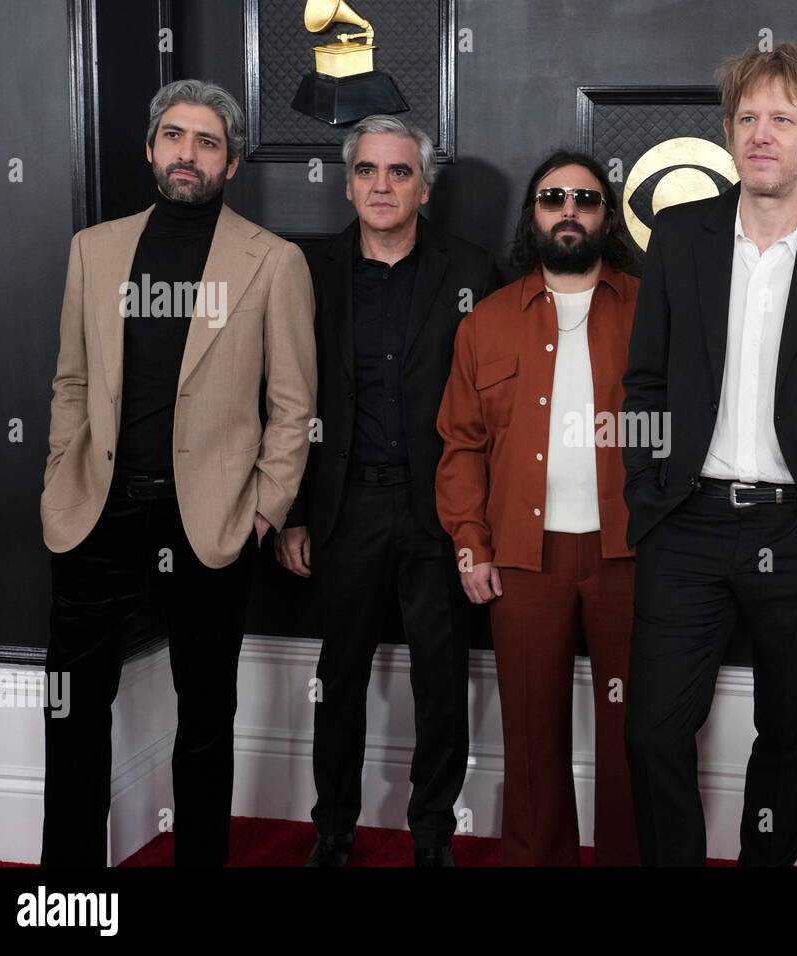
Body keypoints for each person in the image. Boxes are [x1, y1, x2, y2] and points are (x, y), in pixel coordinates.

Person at [621, 42, 797, 866]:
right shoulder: (678, 238)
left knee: (785, 737)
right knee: (652, 733)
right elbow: (644, 383)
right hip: (685, 524)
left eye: (783, 118)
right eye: (747, 118)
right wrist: (647, 488)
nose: (761, 134)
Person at [40, 79, 316, 866]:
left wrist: (264, 507)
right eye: (174, 136)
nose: (186, 153)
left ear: (230, 163)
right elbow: (70, 382)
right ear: (152, 148)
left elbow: (294, 404)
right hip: (96, 512)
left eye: (206, 142)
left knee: (205, 717)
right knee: (74, 715)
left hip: (213, 521)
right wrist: (63, 471)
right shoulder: (93, 250)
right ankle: (69, 893)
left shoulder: (275, 262)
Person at [276, 115, 500, 868]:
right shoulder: (308, 271)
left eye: (399, 172)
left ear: (423, 187)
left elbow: (495, 407)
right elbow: (290, 398)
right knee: (338, 680)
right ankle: (332, 830)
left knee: (442, 681)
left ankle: (432, 833)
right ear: (348, 185)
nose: (382, 185)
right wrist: (297, 513)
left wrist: (479, 521)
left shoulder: (473, 271)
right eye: (368, 171)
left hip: (439, 506)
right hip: (346, 506)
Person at [436, 150, 641, 866]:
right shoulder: (485, 323)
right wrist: (471, 541)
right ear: (534, 214)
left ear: (605, 216)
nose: (569, 210)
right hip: (522, 562)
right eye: (553, 197)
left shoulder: (651, 311)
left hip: (629, 558)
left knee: (634, 738)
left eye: (585, 199)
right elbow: (459, 446)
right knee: (528, 740)